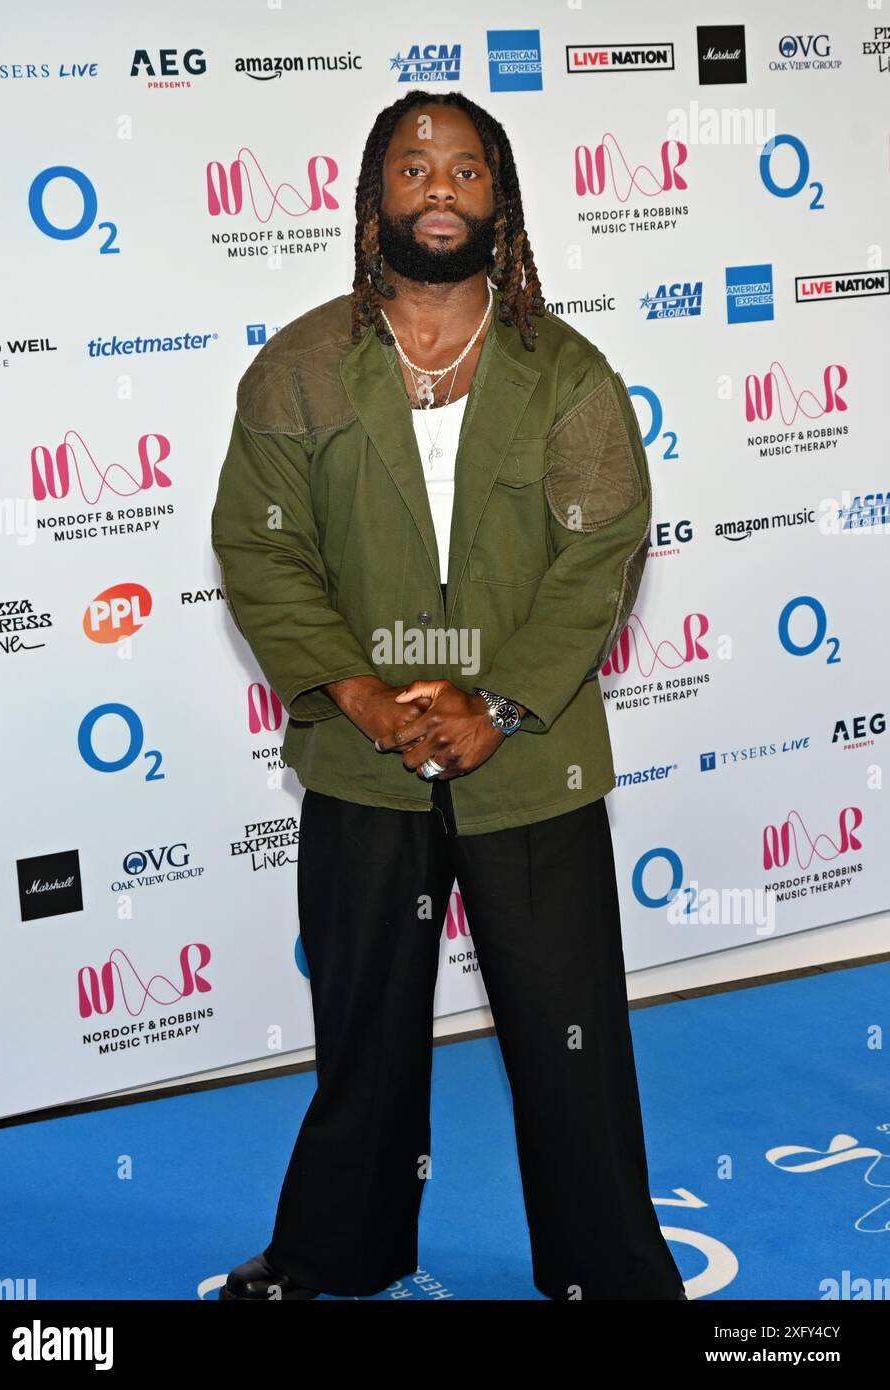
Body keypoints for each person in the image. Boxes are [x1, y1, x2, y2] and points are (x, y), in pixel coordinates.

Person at [210, 90, 686, 1302]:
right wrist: (358, 692)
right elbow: (259, 549)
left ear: (501, 202)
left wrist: (500, 704)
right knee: (363, 1031)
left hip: (526, 758)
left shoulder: (565, 373)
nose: (438, 188)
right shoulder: (299, 369)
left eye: (465, 170)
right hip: (361, 754)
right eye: (413, 167)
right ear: (374, 196)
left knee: (567, 1041)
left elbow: (602, 552)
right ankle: (337, 1246)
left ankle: (607, 1276)